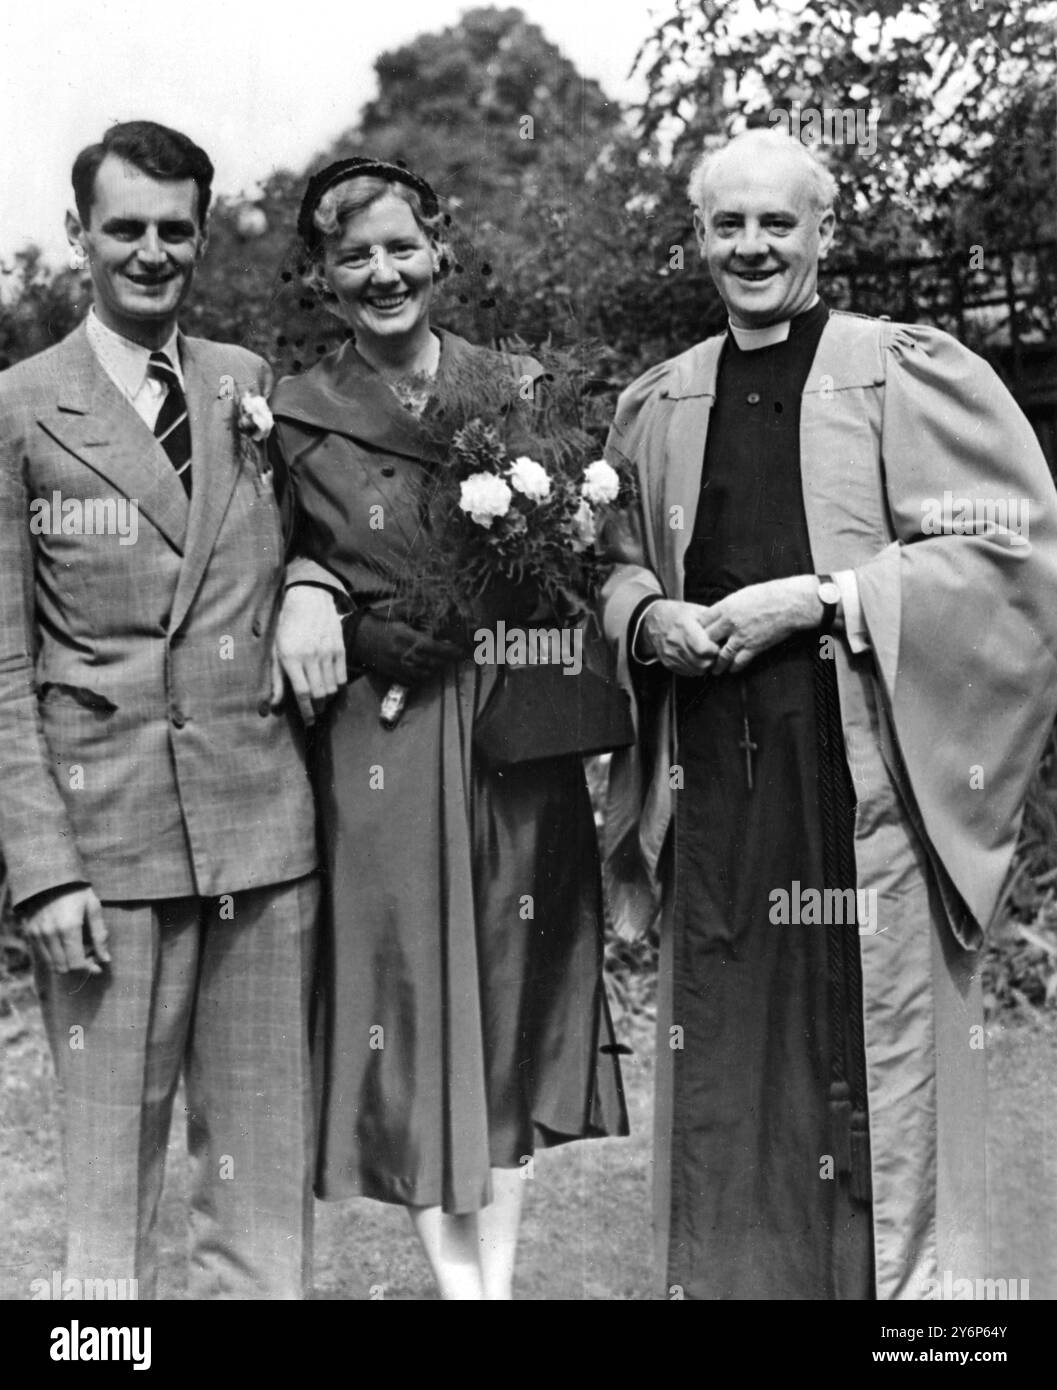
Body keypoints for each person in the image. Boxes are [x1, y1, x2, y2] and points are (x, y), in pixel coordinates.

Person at [600, 127, 1057, 1300]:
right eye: (725, 223)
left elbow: (1010, 550)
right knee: (732, 1056)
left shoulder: (900, 369)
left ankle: (901, 1310)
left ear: (822, 231)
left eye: (775, 223)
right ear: (697, 235)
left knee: (873, 1055)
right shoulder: (658, 403)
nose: (750, 246)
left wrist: (820, 599)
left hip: (857, 772)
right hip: (716, 787)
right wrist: (647, 616)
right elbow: (608, 568)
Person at [271, 156, 629, 1300]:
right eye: (353, 256)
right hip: (379, 736)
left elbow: (584, 557)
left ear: (440, 252)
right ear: (322, 278)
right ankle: (457, 1286)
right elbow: (260, 557)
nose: (384, 273)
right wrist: (320, 597)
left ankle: (500, 1284)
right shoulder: (289, 412)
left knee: (508, 994)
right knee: (404, 997)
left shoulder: (520, 389)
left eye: (401, 247)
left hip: (511, 727)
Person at [0, 120, 326, 1299]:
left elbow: (326, 541)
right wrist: (43, 869)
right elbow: (0, 667)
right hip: (106, 848)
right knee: (108, 1182)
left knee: (260, 1170)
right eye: (125, 227)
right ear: (78, 232)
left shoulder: (248, 385)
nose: (150, 252)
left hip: (262, 836)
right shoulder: (21, 406)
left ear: (203, 236)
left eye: (174, 230)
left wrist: (306, 587)